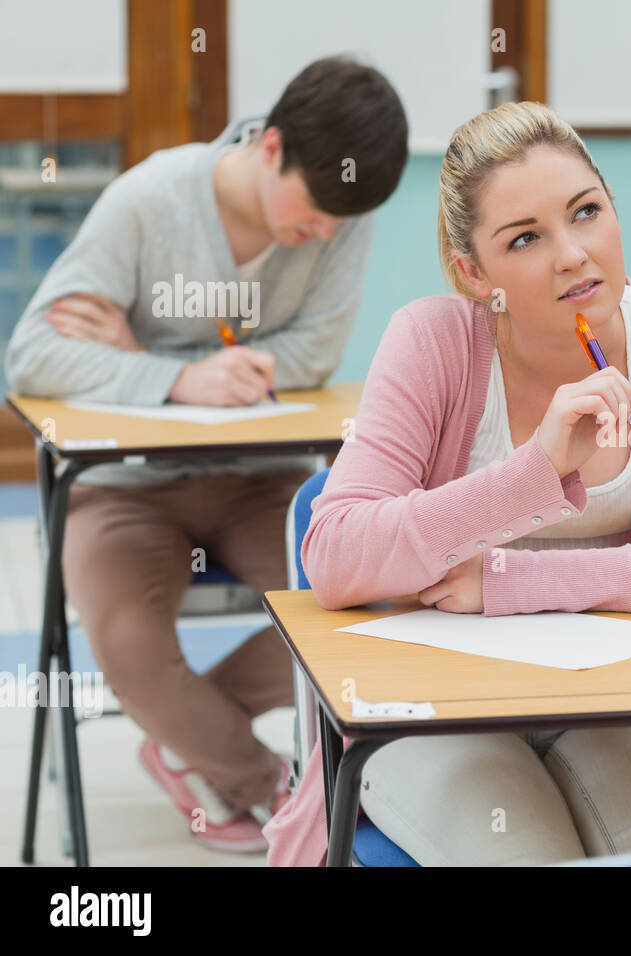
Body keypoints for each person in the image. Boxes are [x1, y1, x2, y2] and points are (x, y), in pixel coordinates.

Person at [266, 101, 631, 866]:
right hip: (435, 710)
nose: (573, 255)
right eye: (525, 238)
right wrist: (536, 472)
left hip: (621, 705)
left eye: (586, 212)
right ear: (474, 273)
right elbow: (337, 555)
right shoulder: (432, 341)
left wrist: (523, 581)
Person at [4, 55, 408, 852]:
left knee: (367, 610)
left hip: (259, 478)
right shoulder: (151, 198)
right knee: (126, 642)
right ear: (269, 146)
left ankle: (188, 743)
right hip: (122, 487)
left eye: (339, 222)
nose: (322, 233)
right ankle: (273, 786)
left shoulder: (344, 214)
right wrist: (179, 376)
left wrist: (138, 358)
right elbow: (32, 355)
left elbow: (315, 354)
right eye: (315, 211)